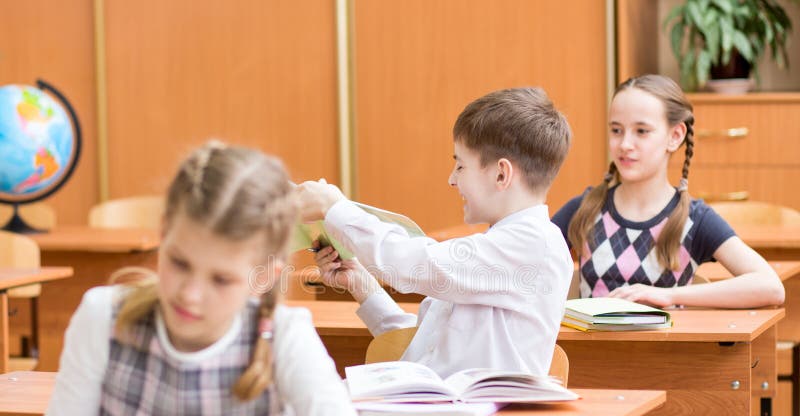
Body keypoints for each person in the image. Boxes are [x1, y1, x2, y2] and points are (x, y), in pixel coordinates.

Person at [1, 142, 379, 416]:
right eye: (179, 263)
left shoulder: (284, 336)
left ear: (263, 277)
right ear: (163, 234)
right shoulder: (104, 316)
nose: (191, 295)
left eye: (221, 279)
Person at [297, 87, 573, 377]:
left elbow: (414, 263)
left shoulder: (534, 244)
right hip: (435, 403)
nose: (452, 179)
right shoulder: (498, 246)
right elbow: (426, 348)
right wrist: (362, 285)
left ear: (501, 174)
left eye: (461, 165)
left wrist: (334, 207)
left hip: (469, 414)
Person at [552, 74, 784, 308]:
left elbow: (770, 287)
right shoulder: (585, 208)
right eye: (616, 130)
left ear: (675, 136)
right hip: (592, 347)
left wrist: (669, 295)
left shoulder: (695, 219)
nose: (624, 144)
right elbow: (522, 265)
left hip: (669, 346)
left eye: (641, 131)